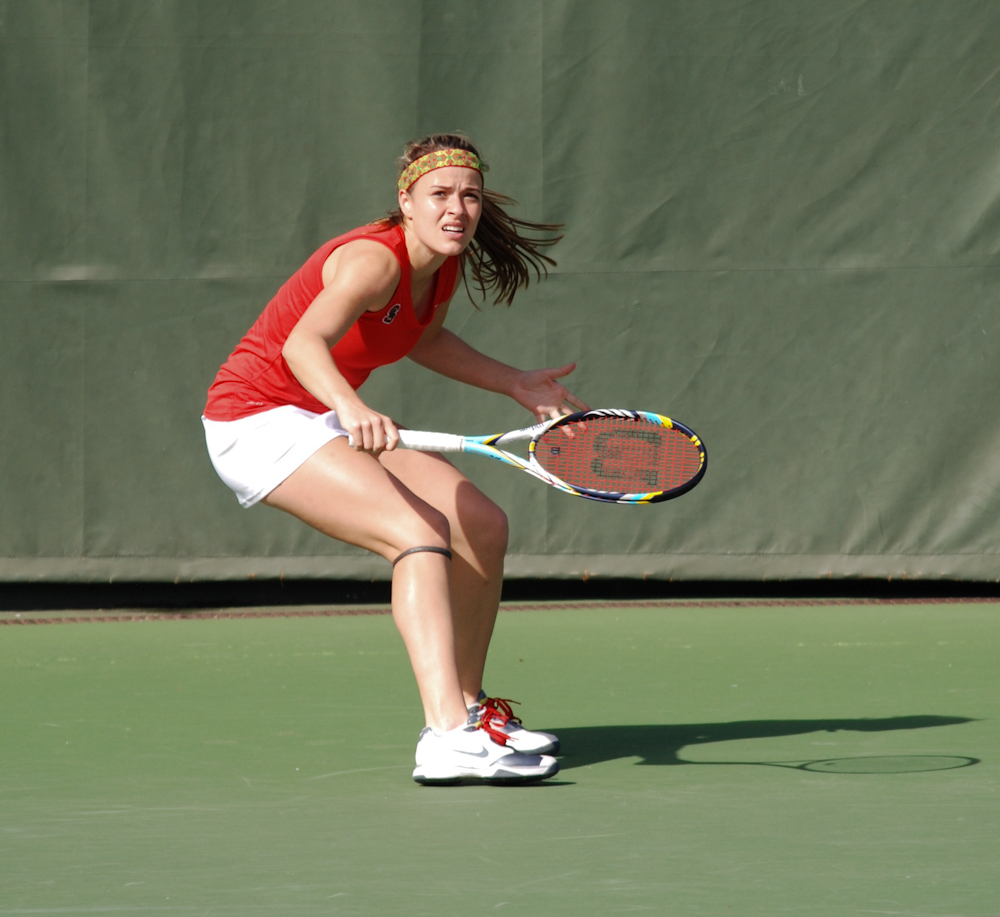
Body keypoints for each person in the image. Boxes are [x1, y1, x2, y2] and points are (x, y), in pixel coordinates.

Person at [202, 134, 589, 784]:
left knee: (481, 523)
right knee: (417, 532)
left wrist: (514, 382)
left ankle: (470, 710)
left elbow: (423, 338)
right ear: (404, 202)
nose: (457, 209)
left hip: (319, 411)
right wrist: (351, 409)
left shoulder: (440, 264)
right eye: (440, 194)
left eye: (469, 195)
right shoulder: (371, 262)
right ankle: (444, 736)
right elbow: (303, 346)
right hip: (255, 420)